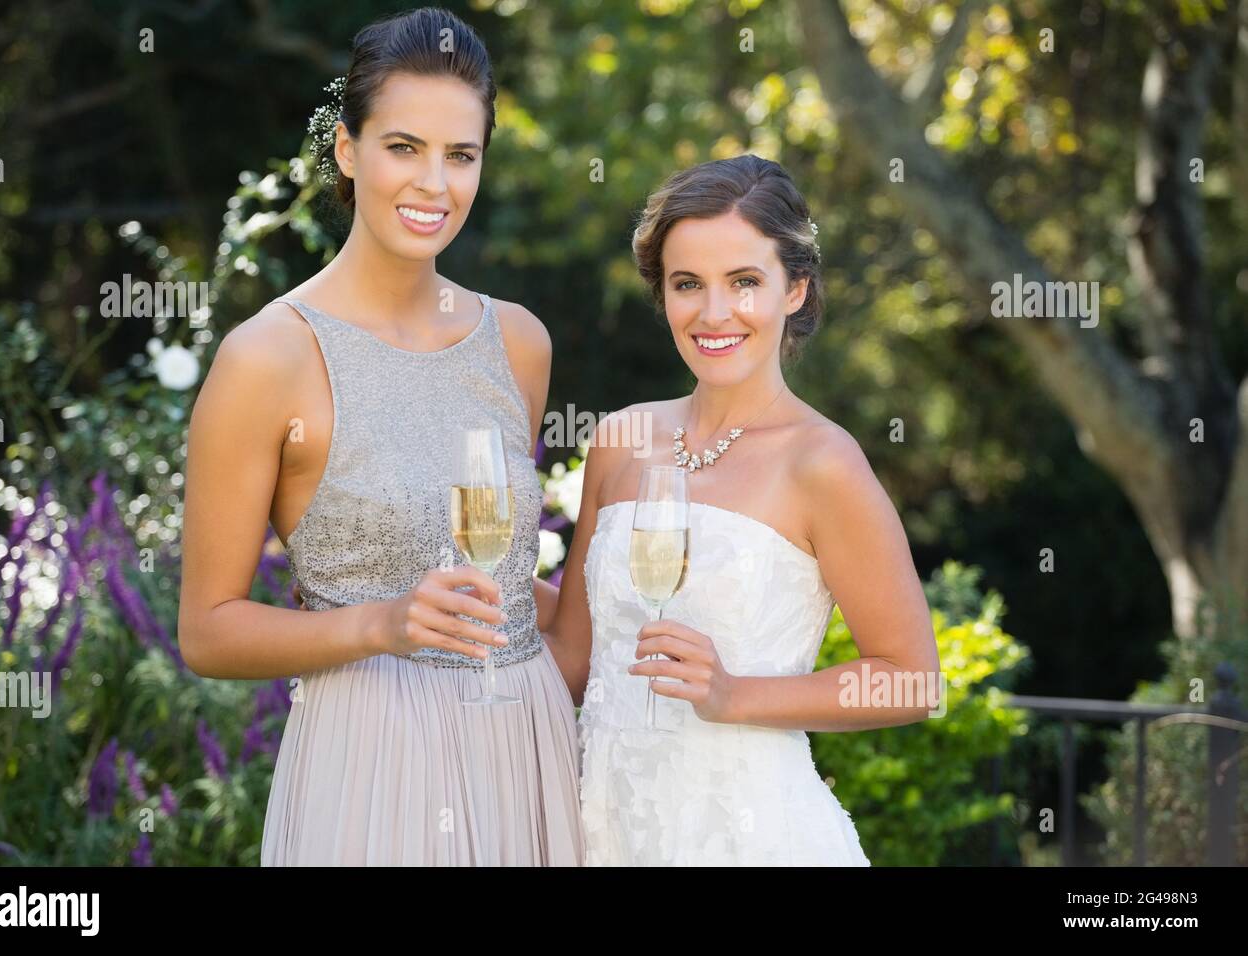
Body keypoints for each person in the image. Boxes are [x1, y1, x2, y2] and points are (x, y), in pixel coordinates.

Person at [178, 7, 583, 866]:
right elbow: (208, 629)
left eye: (460, 155)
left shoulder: (518, 343)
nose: (434, 183)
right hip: (370, 759)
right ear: (346, 151)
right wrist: (382, 624)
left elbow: (503, 579)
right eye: (404, 147)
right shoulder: (266, 359)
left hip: (527, 746)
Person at [539, 154, 941, 865]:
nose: (713, 313)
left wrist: (734, 695)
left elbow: (911, 679)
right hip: (604, 836)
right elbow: (576, 656)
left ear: (796, 289)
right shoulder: (620, 439)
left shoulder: (823, 462)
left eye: (745, 282)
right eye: (687, 284)